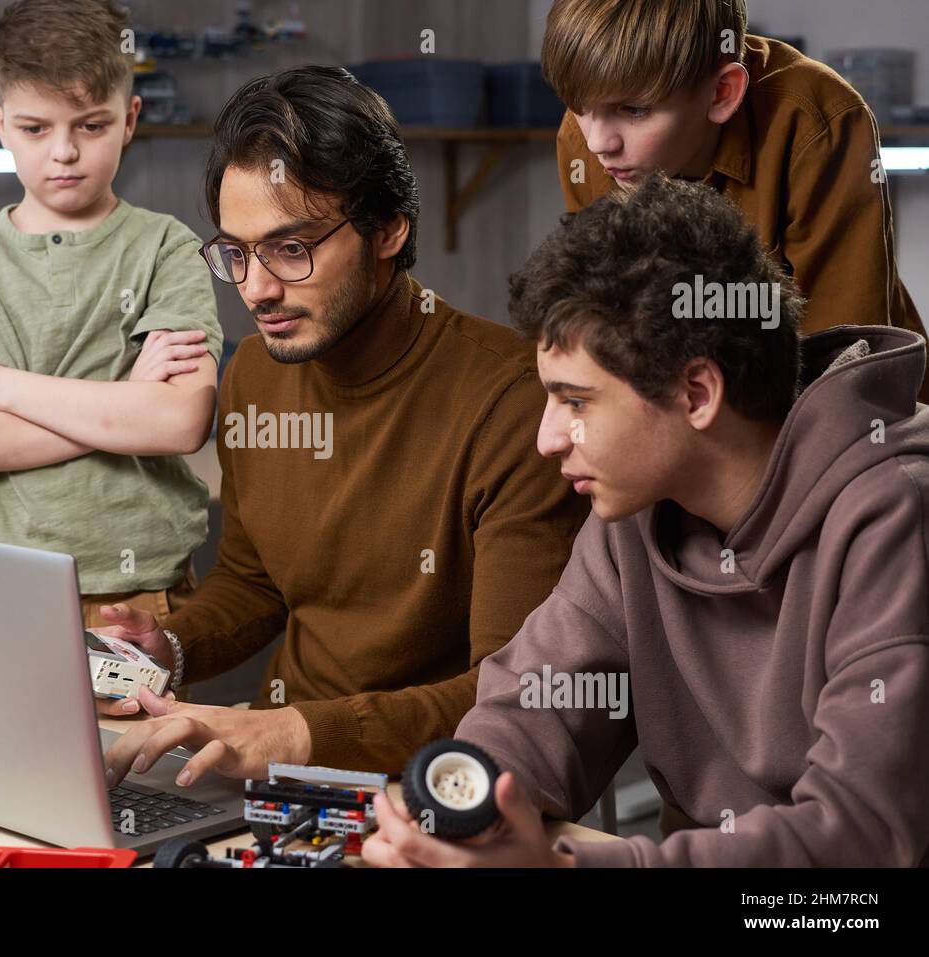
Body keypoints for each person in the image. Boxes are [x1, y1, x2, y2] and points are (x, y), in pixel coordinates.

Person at [364, 176, 929, 868]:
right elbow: (536, 703)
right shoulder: (636, 509)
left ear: (696, 392)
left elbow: (862, 838)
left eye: (575, 401)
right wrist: (465, 810)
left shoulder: (897, 512)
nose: (548, 438)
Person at [98, 66, 587, 785]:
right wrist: (171, 644)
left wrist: (294, 731)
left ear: (389, 228)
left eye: (291, 248)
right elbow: (256, 579)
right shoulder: (256, 374)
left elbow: (512, 693)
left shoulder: (513, 402)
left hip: (436, 789)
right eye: (236, 252)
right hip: (281, 773)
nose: (256, 288)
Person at [0, 0, 222, 622]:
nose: (64, 152)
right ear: (0, 124)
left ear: (130, 119)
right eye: (35, 128)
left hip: (142, 591)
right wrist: (122, 401)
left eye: (91, 126)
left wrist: (0, 387)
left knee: (141, 728)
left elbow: (176, 424)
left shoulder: (169, 248)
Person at [544, 0, 928, 402]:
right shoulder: (584, 138)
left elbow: (847, 365)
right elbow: (610, 325)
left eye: (635, 110)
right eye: (579, 107)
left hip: (846, 415)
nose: (597, 143)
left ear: (722, 93)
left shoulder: (819, 123)